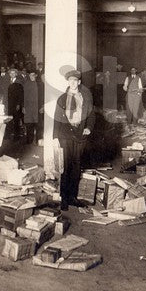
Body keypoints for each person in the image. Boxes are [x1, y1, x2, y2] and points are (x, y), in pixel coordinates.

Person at [54, 70, 95, 209]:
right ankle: (64, 199)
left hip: (79, 135)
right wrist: (55, 137)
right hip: (65, 134)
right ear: (68, 82)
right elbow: (57, 119)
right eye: (70, 80)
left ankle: (73, 197)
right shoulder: (62, 98)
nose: (72, 82)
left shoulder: (85, 99)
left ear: (79, 82)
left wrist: (88, 127)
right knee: (65, 167)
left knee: (76, 167)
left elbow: (91, 116)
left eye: (75, 80)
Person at [22, 69, 43, 144]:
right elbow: (24, 96)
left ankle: (38, 141)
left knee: (38, 126)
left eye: (33, 75)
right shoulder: (26, 84)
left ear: (36, 75)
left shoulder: (40, 84)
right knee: (29, 125)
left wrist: (42, 106)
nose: (31, 77)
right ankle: (29, 142)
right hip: (28, 108)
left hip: (37, 108)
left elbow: (43, 97)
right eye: (30, 75)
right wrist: (23, 107)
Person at [6, 67, 24, 139]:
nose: (12, 74)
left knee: (16, 119)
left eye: (14, 73)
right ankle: (9, 134)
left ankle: (17, 135)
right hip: (8, 103)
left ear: (16, 74)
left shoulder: (19, 82)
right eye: (11, 73)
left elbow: (21, 94)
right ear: (9, 74)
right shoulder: (7, 81)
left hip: (16, 104)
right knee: (8, 119)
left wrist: (19, 104)